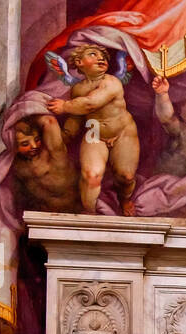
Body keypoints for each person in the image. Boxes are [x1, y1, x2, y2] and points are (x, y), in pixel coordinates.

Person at [47, 45, 140, 215]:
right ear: (79, 62)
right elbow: (76, 117)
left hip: (123, 132)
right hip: (94, 132)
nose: (101, 58)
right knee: (91, 176)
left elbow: (91, 103)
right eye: (93, 54)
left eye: (103, 56)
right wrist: (65, 136)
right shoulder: (77, 89)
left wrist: (65, 106)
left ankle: (125, 199)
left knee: (126, 176)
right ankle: (89, 212)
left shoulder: (111, 82)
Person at [12, 114, 79, 213]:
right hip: (40, 213)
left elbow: (50, 121)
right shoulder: (17, 165)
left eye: (37, 140)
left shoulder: (53, 152)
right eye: (25, 144)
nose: (34, 146)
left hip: (70, 210)